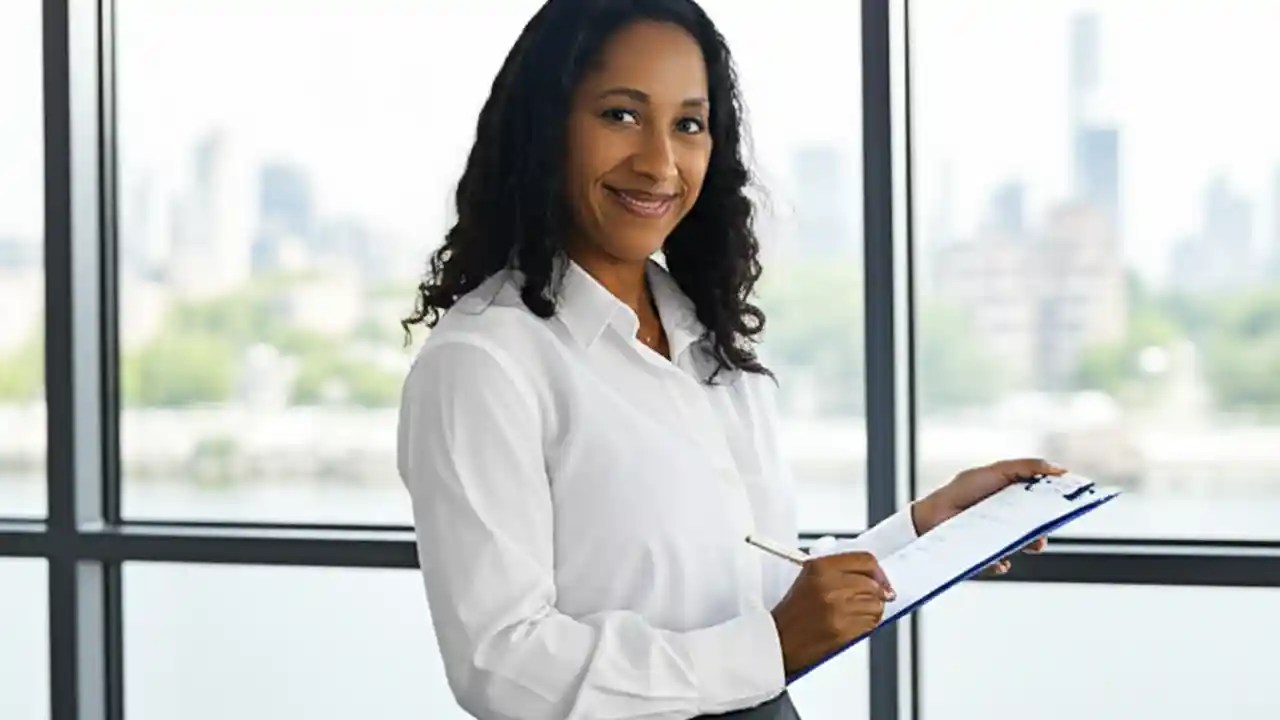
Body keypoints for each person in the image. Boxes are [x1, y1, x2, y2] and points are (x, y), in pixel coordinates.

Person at [396, 1, 1059, 717]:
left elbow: (747, 595)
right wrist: (773, 646)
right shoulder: (484, 362)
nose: (659, 163)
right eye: (620, 114)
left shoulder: (703, 340)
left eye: (688, 124)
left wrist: (925, 533)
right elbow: (502, 664)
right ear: (545, 128)